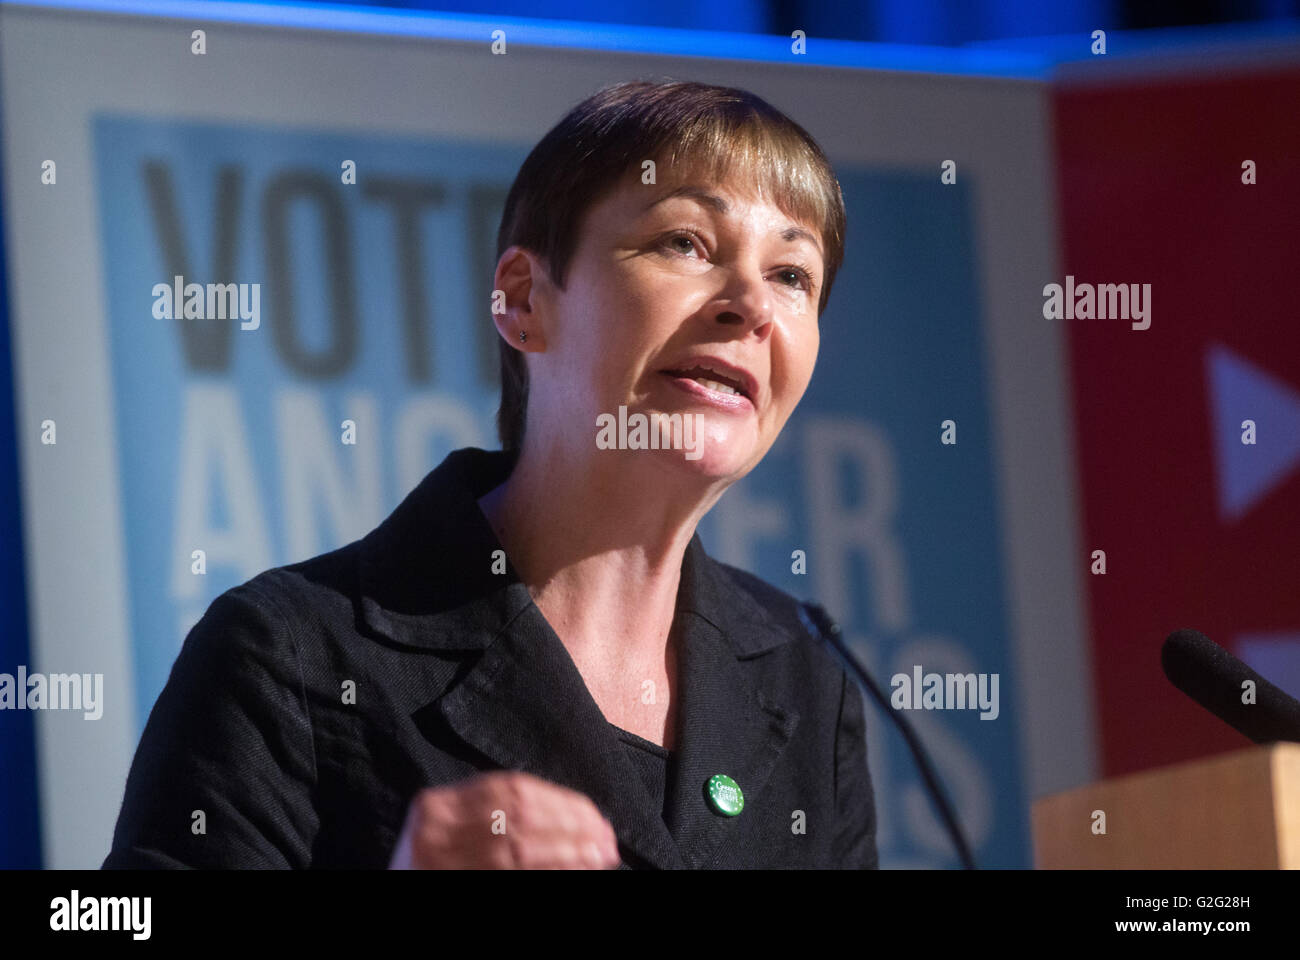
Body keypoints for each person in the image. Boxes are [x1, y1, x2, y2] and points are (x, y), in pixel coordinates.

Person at [103, 78, 878, 870]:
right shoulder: (288, 657)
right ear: (521, 300)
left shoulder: (804, 677)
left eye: (793, 275)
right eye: (685, 242)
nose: (751, 303)